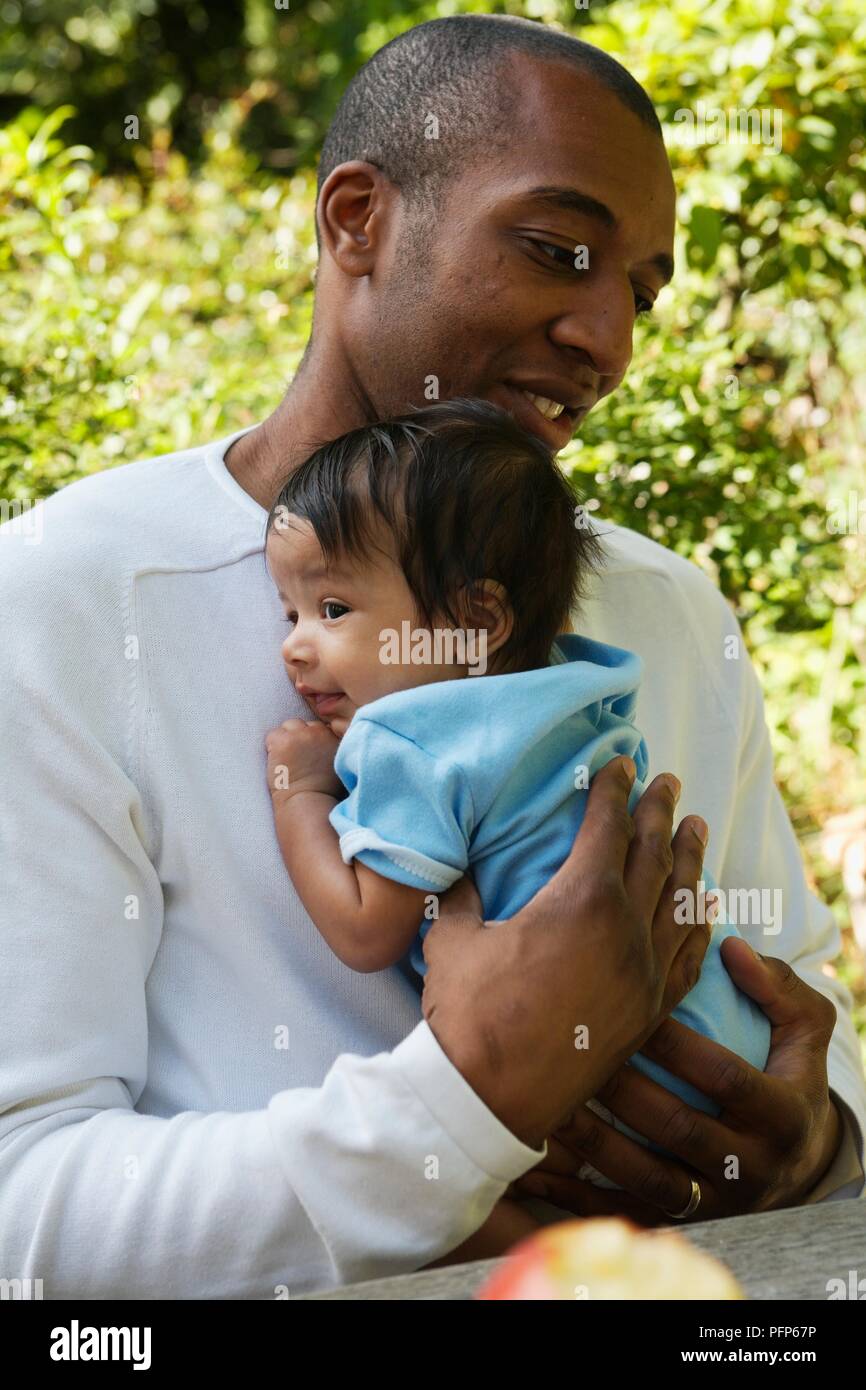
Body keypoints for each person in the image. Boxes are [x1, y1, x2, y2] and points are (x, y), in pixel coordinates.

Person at [0, 16, 861, 1300]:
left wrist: (814, 1138)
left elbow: (800, 1017)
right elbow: (29, 1215)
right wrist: (466, 1102)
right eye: (555, 250)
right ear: (356, 221)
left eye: (639, 289)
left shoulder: (667, 611)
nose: (608, 338)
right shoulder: (69, 604)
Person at [262, 396, 772, 1254]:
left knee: (453, 1230)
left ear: (478, 623)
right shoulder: (576, 690)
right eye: (291, 615)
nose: (295, 647)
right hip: (726, 1074)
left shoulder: (412, 737)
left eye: (335, 610)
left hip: (612, 1095)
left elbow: (365, 927)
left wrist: (299, 796)